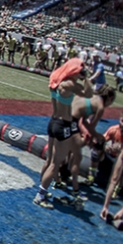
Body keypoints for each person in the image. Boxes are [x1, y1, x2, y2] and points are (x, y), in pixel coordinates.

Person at [34, 58, 88, 209]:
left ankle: (42, 188)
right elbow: (88, 93)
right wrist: (88, 78)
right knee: (55, 164)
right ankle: (40, 195)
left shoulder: (56, 81)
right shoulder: (71, 84)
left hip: (53, 121)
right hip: (63, 125)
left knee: (49, 160)